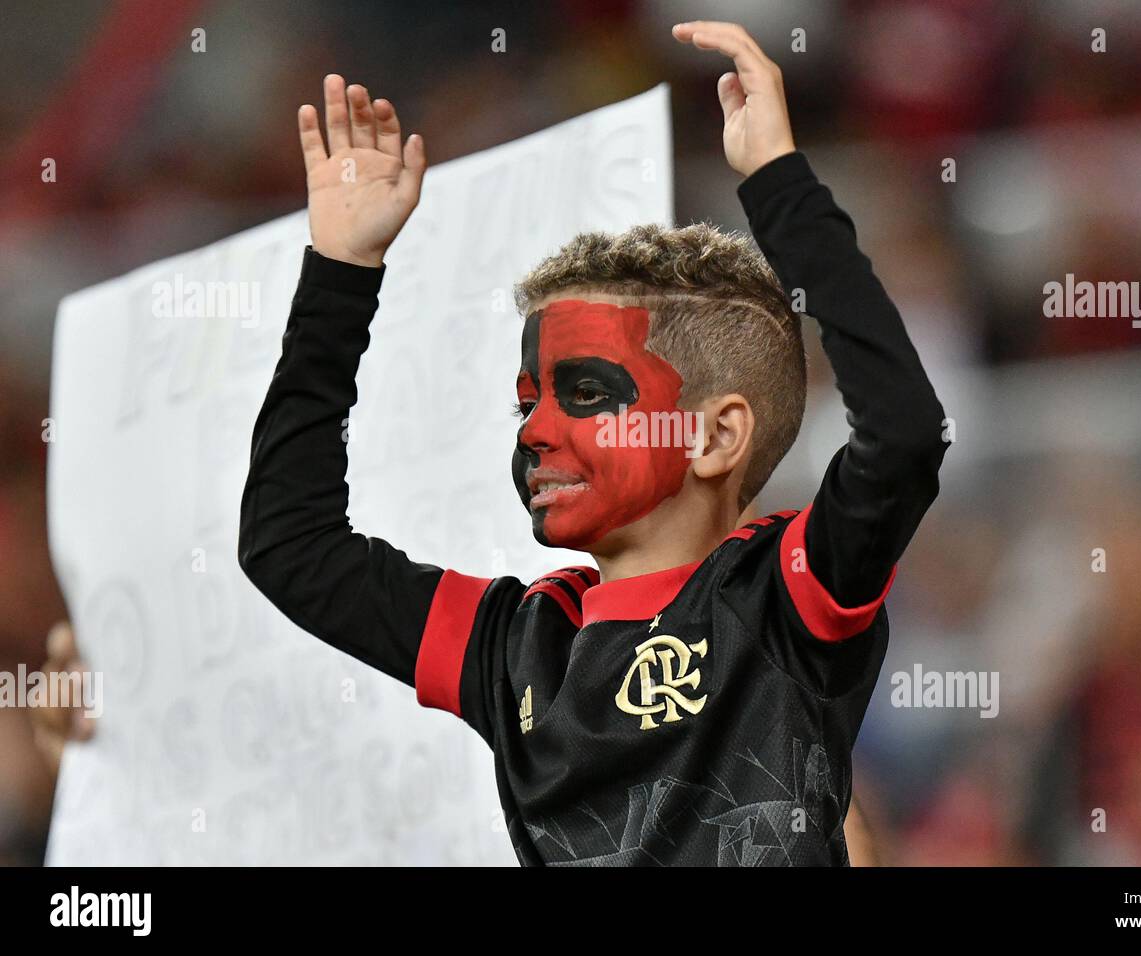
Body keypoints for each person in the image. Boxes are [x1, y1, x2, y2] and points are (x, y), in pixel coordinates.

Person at [238, 20, 946, 865]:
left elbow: (901, 435)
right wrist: (341, 269)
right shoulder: (516, 642)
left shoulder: (783, 599)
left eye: (584, 394)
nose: (537, 431)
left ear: (717, 435)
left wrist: (779, 185)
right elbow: (289, 545)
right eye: (526, 404)